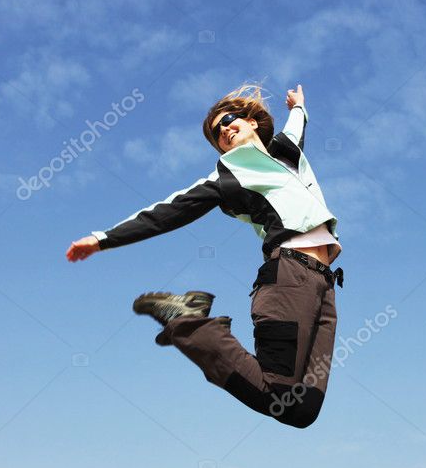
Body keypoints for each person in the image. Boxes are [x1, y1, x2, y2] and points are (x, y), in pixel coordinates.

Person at [65, 82, 344, 429]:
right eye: (217, 133)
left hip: (326, 283)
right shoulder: (226, 176)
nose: (224, 129)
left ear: (252, 122)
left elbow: (295, 127)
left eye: (229, 120)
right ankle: (186, 320)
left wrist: (299, 107)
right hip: (289, 276)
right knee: (276, 395)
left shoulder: (286, 153)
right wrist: (102, 239)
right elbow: (167, 211)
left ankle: (191, 321)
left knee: (301, 410)